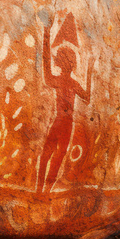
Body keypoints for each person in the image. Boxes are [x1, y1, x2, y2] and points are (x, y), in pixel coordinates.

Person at [38, 16, 93, 193]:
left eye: (59, 59)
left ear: (65, 63)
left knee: (54, 156)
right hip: (62, 122)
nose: (56, 61)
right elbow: (46, 67)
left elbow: (86, 97)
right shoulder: (62, 81)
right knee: (49, 155)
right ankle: (41, 189)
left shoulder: (68, 82)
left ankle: (44, 190)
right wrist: (46, 36)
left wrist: (90, 72)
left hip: (64, 123)